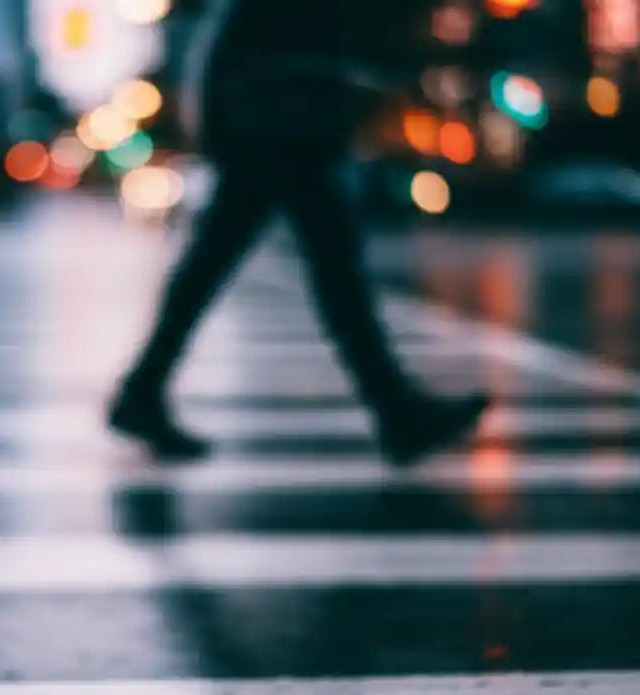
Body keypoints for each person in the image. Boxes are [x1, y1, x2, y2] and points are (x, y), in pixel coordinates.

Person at [108, 0, 490, 466]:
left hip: (274, 126)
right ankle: (396, 411)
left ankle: (143, 390)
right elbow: (258, 39)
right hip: (279, 129)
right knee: (329, 274)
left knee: (230, 266)